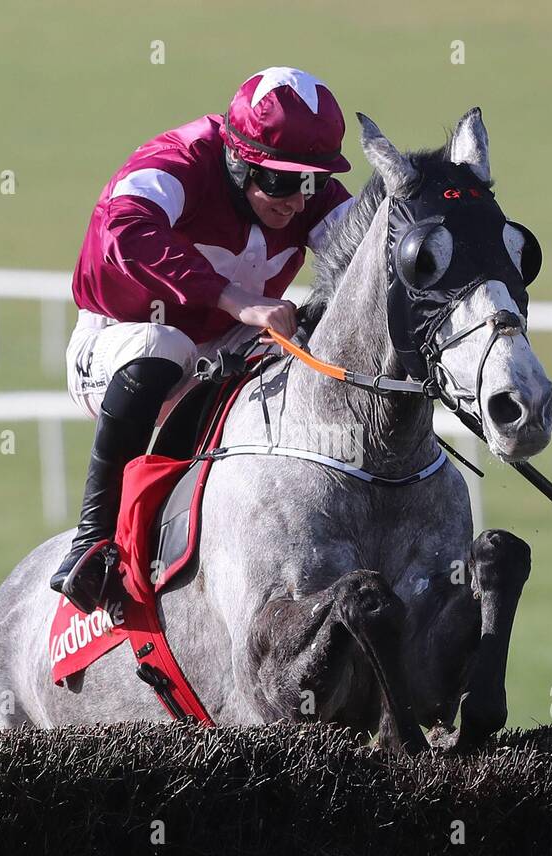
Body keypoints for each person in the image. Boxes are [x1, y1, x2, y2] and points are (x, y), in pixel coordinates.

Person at [53, 67, 355, 613]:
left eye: (310, 182)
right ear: (239, 157)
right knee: (163, 346)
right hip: (119, 340)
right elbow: (123, 228)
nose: (295, 199)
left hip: (226, 348)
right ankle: (91, 542)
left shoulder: (307, 194)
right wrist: (233, 298)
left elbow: (373, 255)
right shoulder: (180, 158)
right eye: (281, 182)